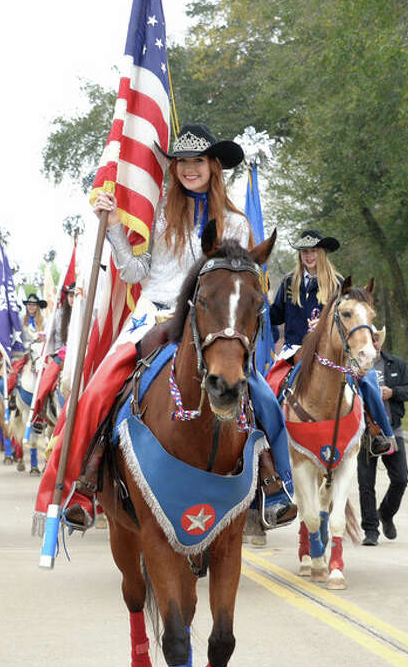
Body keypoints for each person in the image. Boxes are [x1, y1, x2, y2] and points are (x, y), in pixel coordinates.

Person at [50, 123, 296, 531]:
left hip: (214, 323)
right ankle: (86, 485)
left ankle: (275, 486)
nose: (188, 169)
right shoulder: (160, 215)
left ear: (213, 166)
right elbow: (134, 272)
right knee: (97, 391)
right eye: (181, 162)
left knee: (264, 397)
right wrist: (111, 225)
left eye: (197, 161)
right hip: (156, 314)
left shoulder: (235, 224)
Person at [270, 229, 396, 456]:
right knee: (270, 385)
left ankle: (379, 432)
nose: (309, 257)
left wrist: (368, 338)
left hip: (331, 351)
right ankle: (267, 437)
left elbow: (356, 316)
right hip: (295, 349)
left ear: (322, 253)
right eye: (304, 252)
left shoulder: (339, 284)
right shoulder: (290, 282)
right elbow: (275, 316)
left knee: (367, 381)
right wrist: (257, 303)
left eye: (314, 251)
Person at [358, 338, 408, 544]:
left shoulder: (396, 364)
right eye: (369, 339)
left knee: (401, 479)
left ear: (381, 342)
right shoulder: (353, 366)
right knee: (366, 483)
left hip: (392, 431)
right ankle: (370, 530)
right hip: (364, 434)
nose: (373, 343)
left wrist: (393, 392)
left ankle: (385, 513)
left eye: (376, 340)